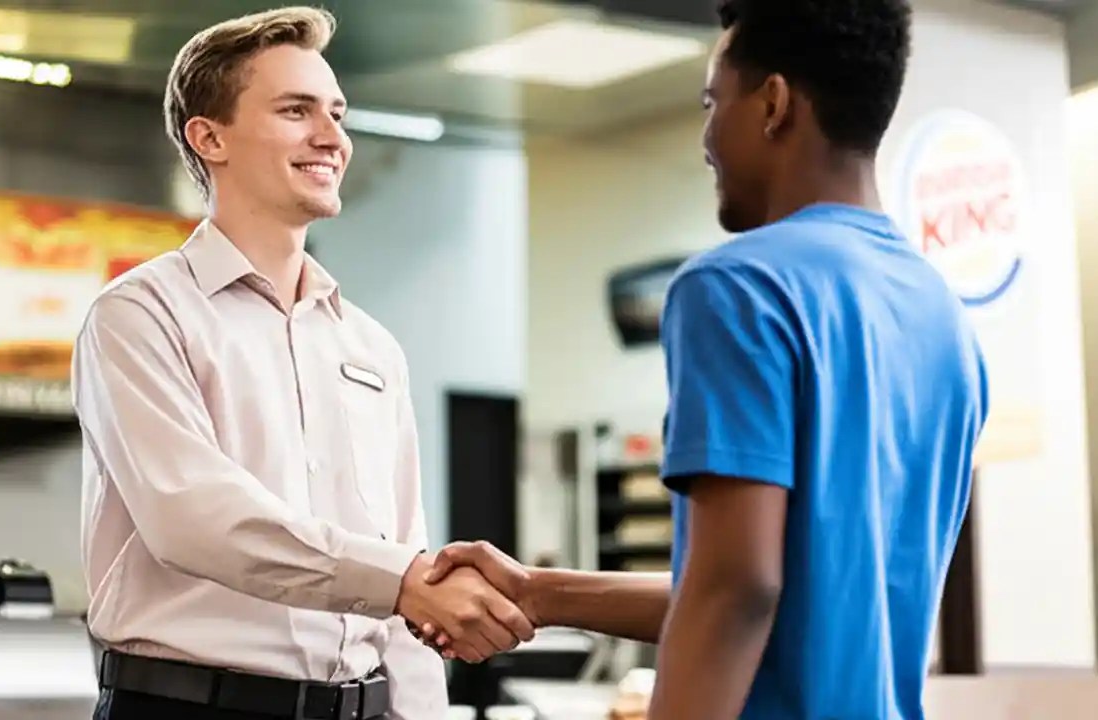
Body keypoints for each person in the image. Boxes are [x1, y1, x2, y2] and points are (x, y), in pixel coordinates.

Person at [416, 1, 988, 718]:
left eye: (713, 103)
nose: (708, 139)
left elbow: (737, 588)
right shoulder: (942, 316)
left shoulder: (738, 287)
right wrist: (539, 592)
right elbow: (783, 596)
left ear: (773, 104)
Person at [72, 7, 533, 720]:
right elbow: (192, 517)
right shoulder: (140, 315)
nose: (332, 137)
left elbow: (403, 554)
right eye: (296, 111)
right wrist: (402, 580)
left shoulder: (371, 348)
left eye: (337, 114)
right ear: (209, 137)